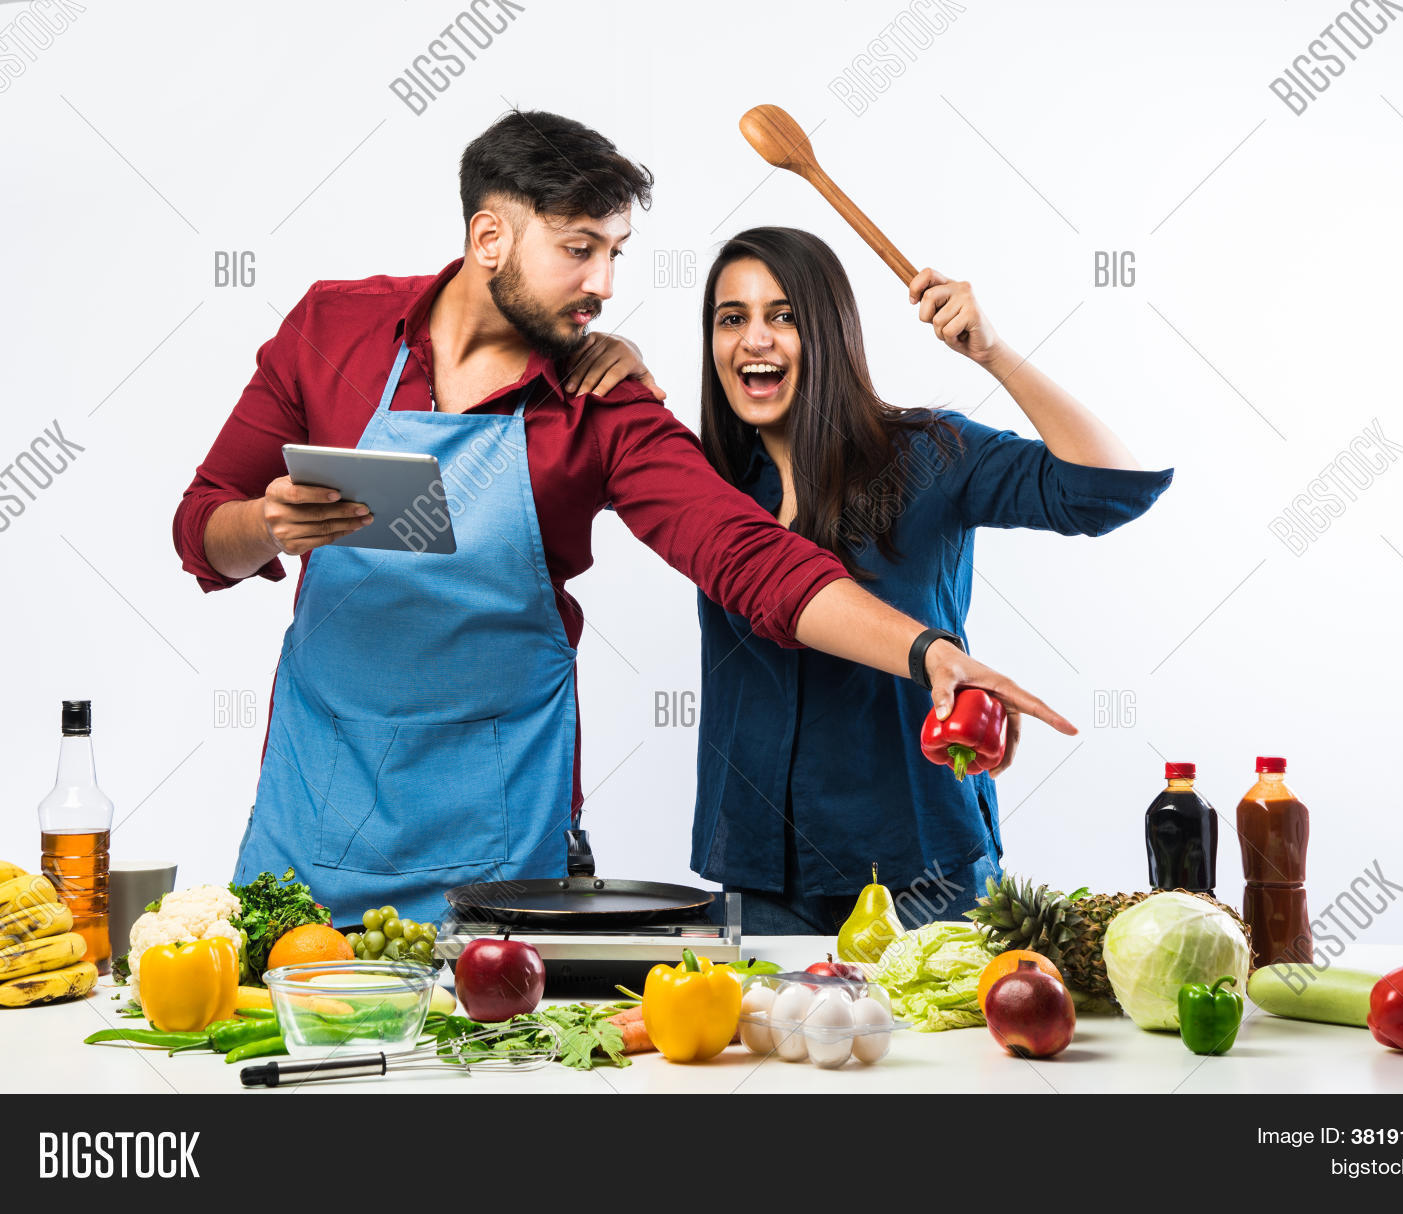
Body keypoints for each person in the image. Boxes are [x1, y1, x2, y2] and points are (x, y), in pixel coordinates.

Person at [172, 114, 1076, 926]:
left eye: (616, 251)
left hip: (502, 849)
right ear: (491, 236)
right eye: (579, 250)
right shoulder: (334, 327)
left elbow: (745, 556)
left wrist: (929, 653)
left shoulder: (603, 405)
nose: (604, 283)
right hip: (313, 815)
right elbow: (202, 524)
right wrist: (266, 523)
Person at [689, 227, 1172, 935]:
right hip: (764, 874)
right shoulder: (710, 489)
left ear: (828, 332)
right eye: (732, 318)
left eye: (783, 315)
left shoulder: (928, 454)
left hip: (925, 870)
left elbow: (1110, 491)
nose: (754, 338)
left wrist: (994, 355)